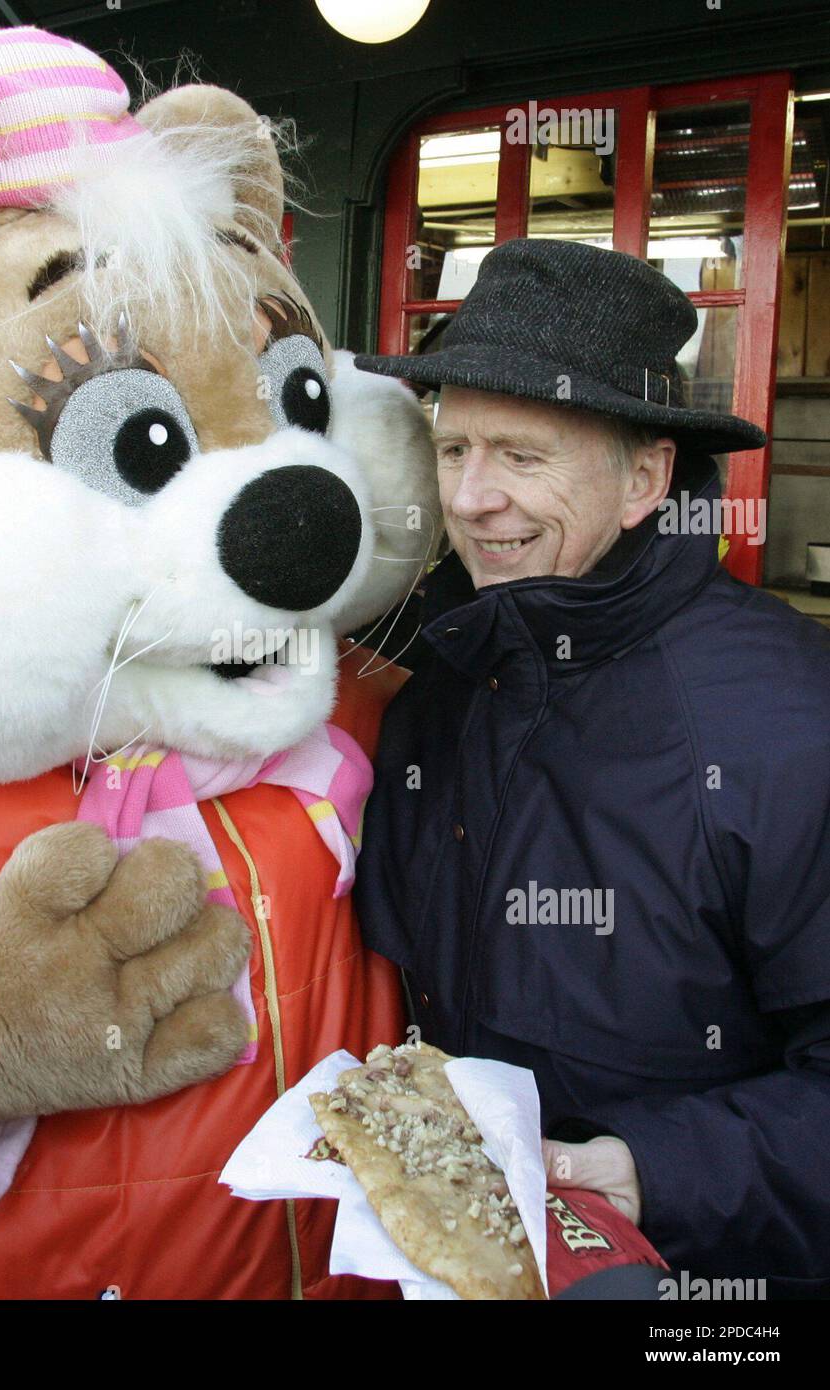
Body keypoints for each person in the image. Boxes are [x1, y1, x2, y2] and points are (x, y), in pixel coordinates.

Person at [353, 237, 830, 1299]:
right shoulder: (434, 680)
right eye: (453, 449)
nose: (473, 499)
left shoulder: (790, 722)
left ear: (644, 479)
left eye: (522, 456)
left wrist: (650, 1169)